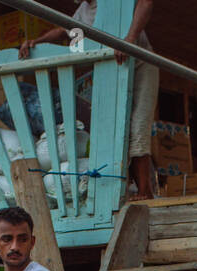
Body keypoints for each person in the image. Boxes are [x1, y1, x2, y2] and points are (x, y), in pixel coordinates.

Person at [19, 1, 158, 199]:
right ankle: (126, 190)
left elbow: (146, 3)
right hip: (115, 70)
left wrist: (130, 38)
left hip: (141, 65)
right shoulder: (83, 11)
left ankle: (146, 192)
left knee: (138, 129)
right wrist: (36, 42)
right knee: (118, 131)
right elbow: (62, 30)